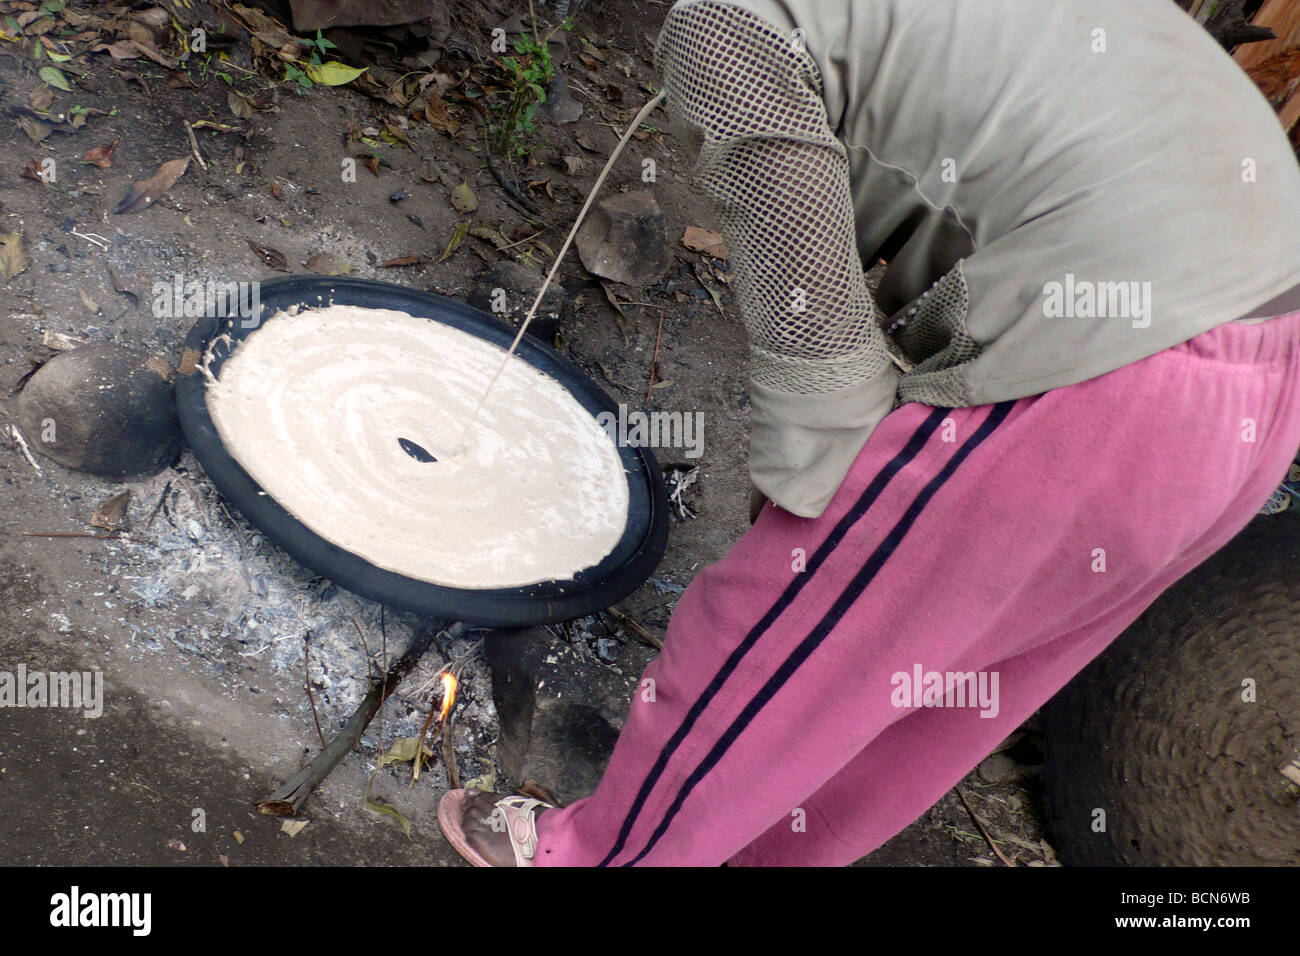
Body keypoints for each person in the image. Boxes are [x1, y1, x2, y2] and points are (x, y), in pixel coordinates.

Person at [438, 0, 1300, 866]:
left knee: (776, 639)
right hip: (1259, 401)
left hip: (1111, 370)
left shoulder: (730, 23)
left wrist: (809, 520)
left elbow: (825, 369)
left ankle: (593, 855)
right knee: (944, 684)